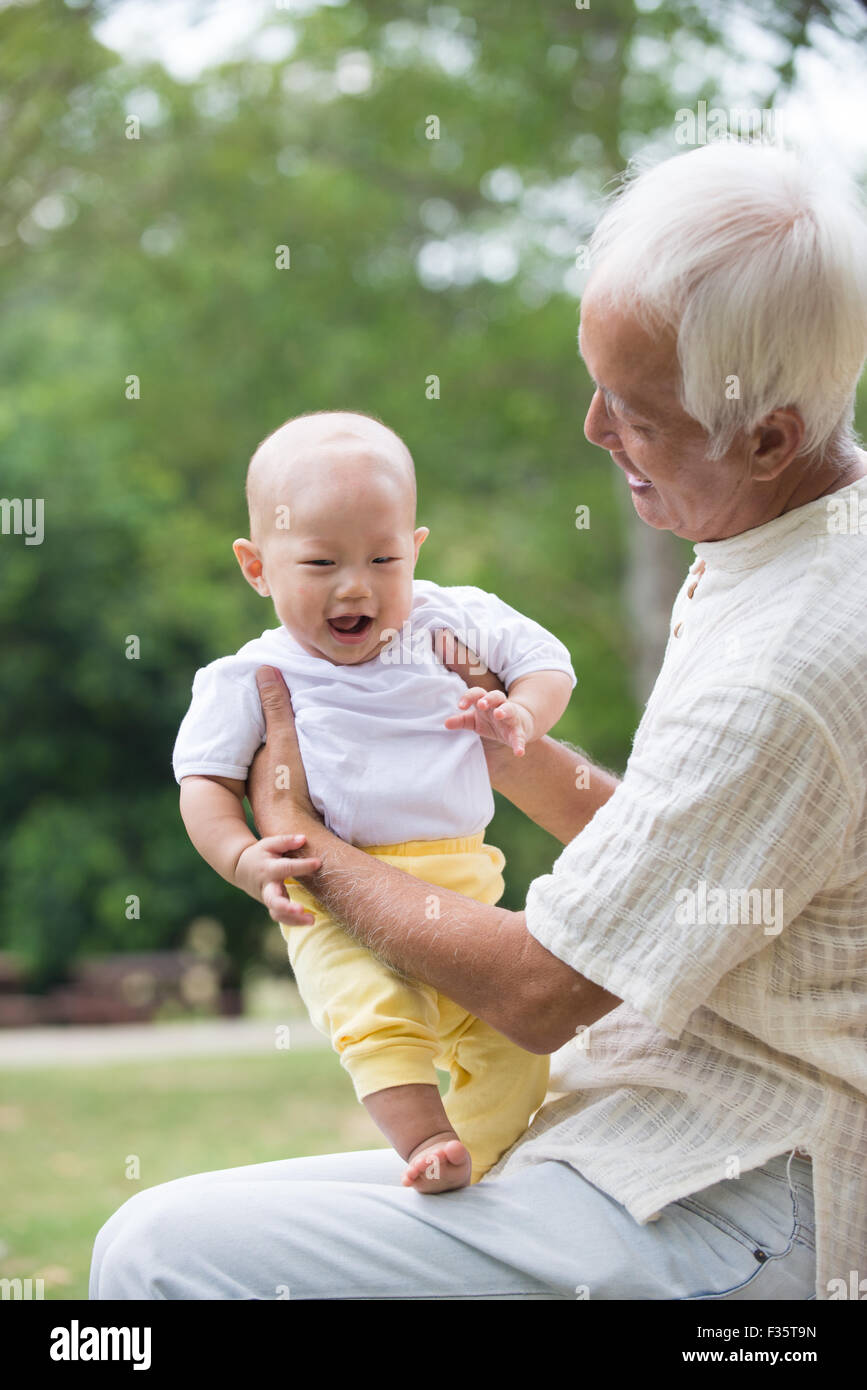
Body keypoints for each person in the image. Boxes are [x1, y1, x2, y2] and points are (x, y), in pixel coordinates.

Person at [90, 137, 867, 1301]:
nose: (596, 431)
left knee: (160, 1254)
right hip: (634, 1135)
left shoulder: (788, 660)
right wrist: (494, 744)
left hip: (730, 1198)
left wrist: (307, 844)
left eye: (637, 410)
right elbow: (684, 840)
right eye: (593, 381)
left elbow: (542, 989)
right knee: (179, 1230)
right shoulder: (777, 544)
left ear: (769, 434)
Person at [172, 409, 576, 1191]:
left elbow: (545, 661)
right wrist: (243, 857)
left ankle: (482, 1156)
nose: (356, 586)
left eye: (384, 558)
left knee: (510, 1041)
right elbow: (205, 783)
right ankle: (424, 1138)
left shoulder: (448, 618)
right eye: (320, 562)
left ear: (414, 549)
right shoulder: (252, 676)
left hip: (464, 883)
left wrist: (521, 711)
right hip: (337, 900)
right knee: (374, 1015)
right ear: (257, 567)